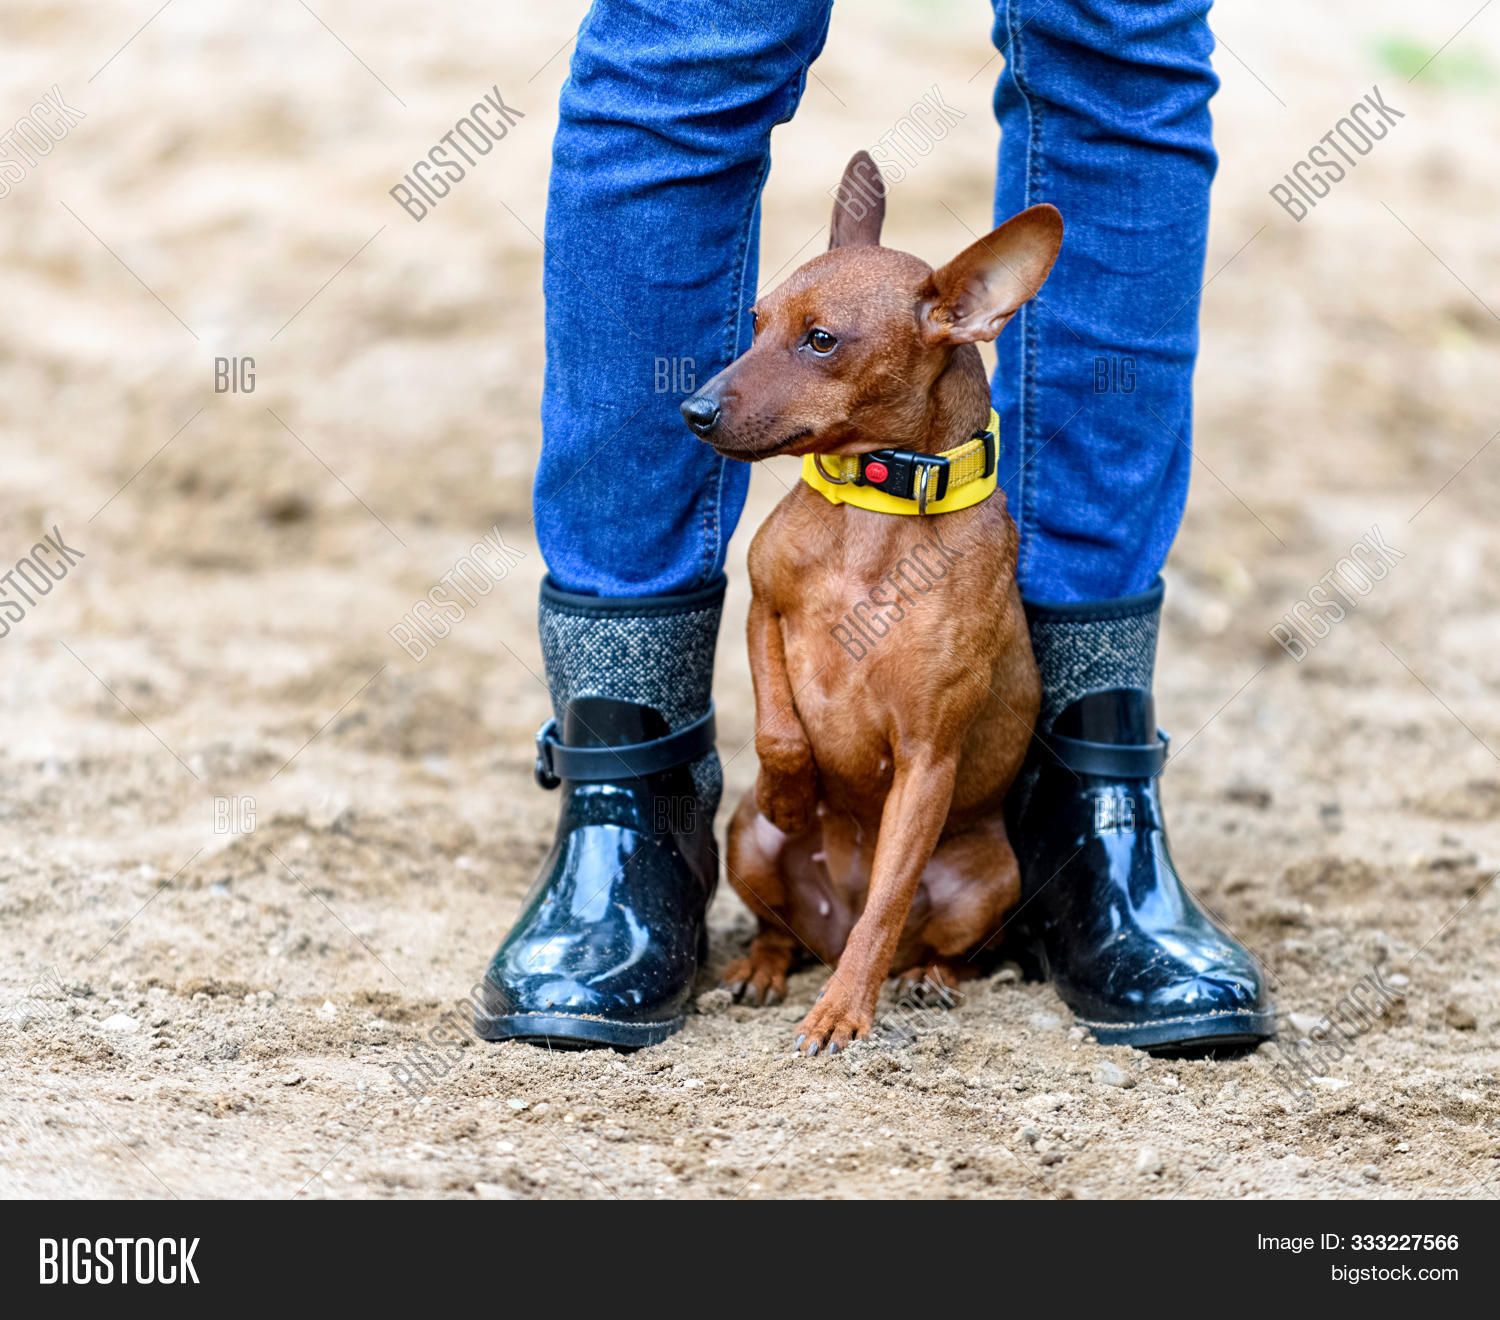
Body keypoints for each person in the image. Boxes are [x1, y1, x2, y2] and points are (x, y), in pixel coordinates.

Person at [475, 0, 1274, 1051]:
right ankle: (627, 783)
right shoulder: (806, 517)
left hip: (947, 664)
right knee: (685, 38)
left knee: (1117, 40)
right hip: (800, 797)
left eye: (812, 342)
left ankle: (1090, 790)